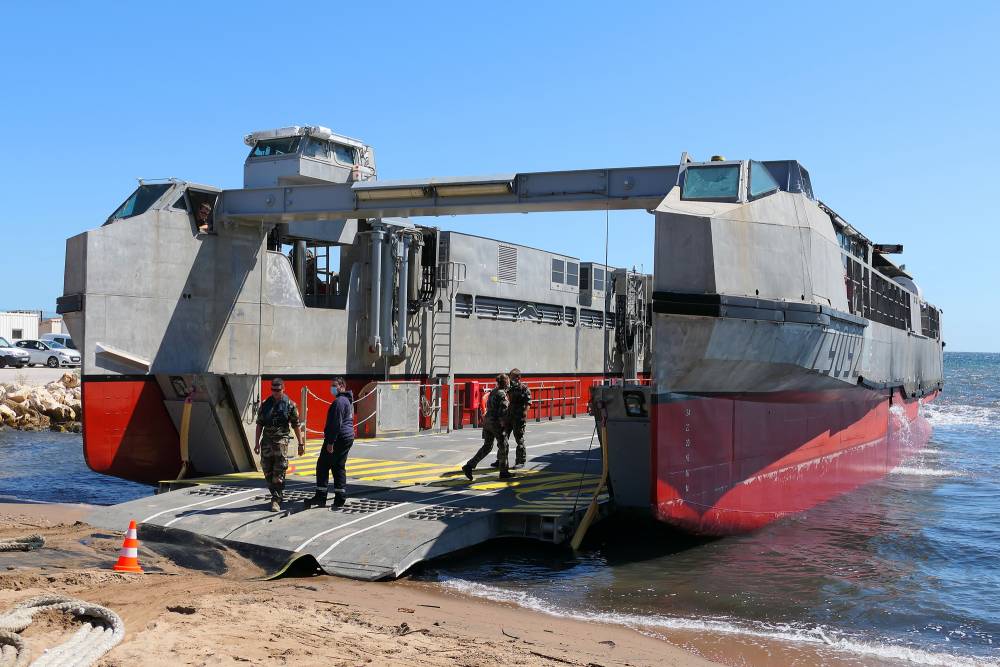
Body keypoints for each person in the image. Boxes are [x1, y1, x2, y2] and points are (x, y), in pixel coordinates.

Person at [254, 378, 305, 512]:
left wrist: (301, 444)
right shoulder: (265, 404)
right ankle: (276, 494)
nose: (275, 392)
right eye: (273, 390)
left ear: (283, 389)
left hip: (281, 443)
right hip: (266, 443)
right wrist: (256, 443)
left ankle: (276, 499)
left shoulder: (290, 405)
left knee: (279, 472)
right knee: (267, 471)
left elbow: (296, 425)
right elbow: (259, 424)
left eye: (278, 390)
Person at [305, 377, 355, 509]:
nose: (332, 388)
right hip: (348, 436)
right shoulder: (348, 401)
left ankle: (320, 497)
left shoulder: (339, 402)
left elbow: (335, 424)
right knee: (338, 466)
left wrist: (330, 442)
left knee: (322, 465)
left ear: (342, 386)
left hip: (339, 438)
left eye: (335, 385)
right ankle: (340, 497)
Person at [462, 373, 512, 480]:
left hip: (487, 422)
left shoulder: (493, 392)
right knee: (504, 446)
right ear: (505, 383)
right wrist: (504, 423)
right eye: (508, 381)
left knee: (487, 446)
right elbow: (503, 411)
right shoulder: (502, 394)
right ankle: (504, 472)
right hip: (496, 424)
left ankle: (469, 466)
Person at [500, 368, 531, 469]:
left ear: (518, 377)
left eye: (512, 377)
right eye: (510, 377)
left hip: (518, 417)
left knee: (519, 439)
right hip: (509, 416)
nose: (510, 378)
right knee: (503, 437)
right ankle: (501, 460)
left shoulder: (524, 388)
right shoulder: (509, 388)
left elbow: (528, 402)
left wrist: (524, 413)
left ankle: (520, 461)